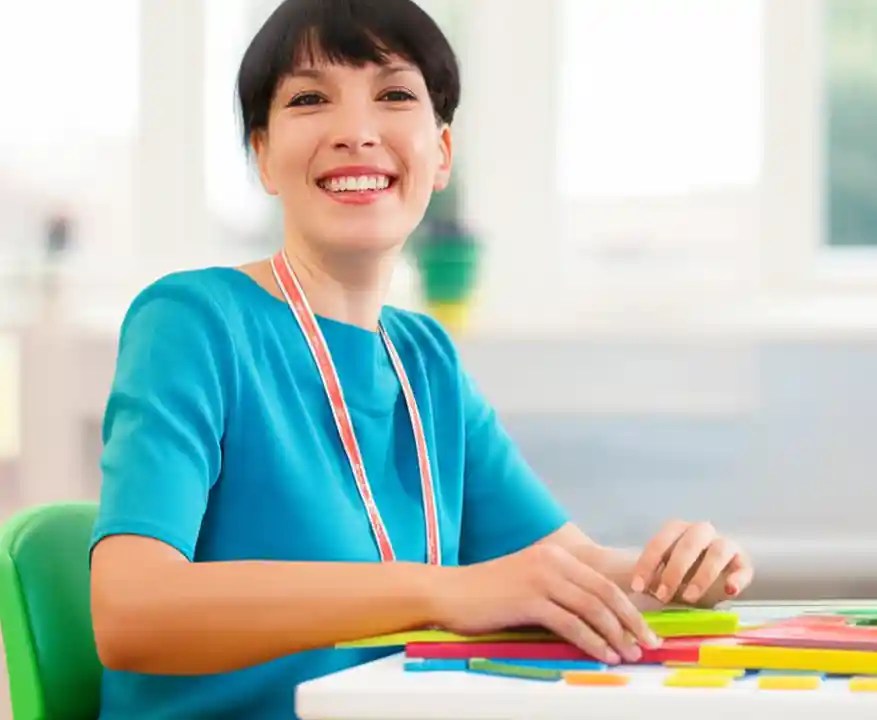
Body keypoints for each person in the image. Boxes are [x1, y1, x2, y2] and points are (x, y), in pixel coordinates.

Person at [87, 1, 754, 717]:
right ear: (262, 156)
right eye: (310, 100)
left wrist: (678, 575)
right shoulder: (192, 321)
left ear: (441, 154)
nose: (355, 132)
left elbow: (570, 570)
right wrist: (444, 590)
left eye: (394, 95)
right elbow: (132, 613)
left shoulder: (424, 358)